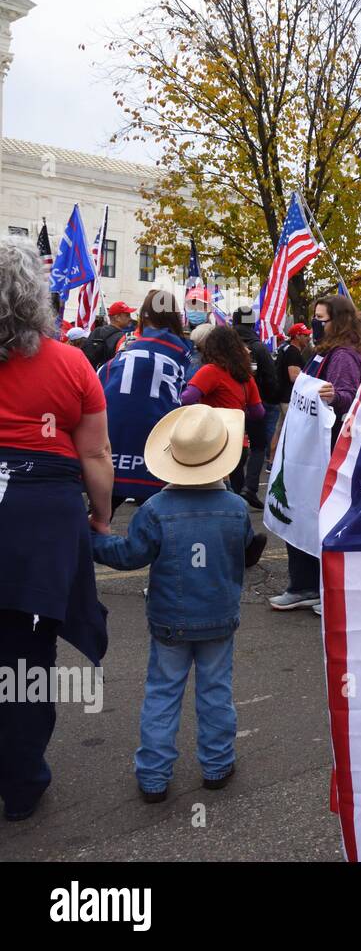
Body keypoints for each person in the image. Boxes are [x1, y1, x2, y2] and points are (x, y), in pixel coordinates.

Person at [91, 404, 265, 802]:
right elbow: (242, 551)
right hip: (219, 618)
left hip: (170, 619)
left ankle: (154, 777)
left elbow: (130, 555)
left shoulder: (155, 511)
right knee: (216, 690)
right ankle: (217, 765)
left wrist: (93, 540)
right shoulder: (237, 509)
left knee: (163, 693)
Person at [0, 237, 111, 821]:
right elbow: (95, 455)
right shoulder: (72, 364)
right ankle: (20, 781)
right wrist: (101, 516)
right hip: (41, 527)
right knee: (24, 659)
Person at [268, 295, 361, 613]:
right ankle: (305, 585)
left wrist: (335, 396)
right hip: (308, 448)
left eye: (321, 319)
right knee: (300, 511)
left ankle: (322, 588)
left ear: (338, 321)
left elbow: (351, 397)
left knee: (320, 516)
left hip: (327, 449)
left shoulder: (344, 355)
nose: (315, 324)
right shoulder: (326, 352)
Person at [99, 288, 192, 519]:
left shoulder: (125, 349)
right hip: (155, 435)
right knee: (161, 509)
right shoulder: (182, 354)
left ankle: (88, 543)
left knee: (103, 510)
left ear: (145, 316)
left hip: (114, 435)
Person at [180, 325, 266, 497]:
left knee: (212, 494)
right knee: (232, 495)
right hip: (238, 444)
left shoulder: (210, 371)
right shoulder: (245, 376)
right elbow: (258, 412)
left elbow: (186, 399)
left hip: (213, 442)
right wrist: (237, 413)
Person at [232, 305, 280, 509]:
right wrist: (270, 398)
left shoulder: (225, 346)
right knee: (258, 445)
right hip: (254, 404)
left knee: (232, 447)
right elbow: (270, 378)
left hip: (229, 405)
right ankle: (249, 488)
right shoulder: (259, 347)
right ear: (253, 323)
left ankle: (235, 489)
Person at [269, 322, 312, 459]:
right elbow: (294, 376)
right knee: (293, 431)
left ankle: (272, 460)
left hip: (283, 397)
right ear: (297, 336)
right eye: (305, 335)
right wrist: (311, 381)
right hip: (289, 399)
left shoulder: (285, 349)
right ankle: (286, 460)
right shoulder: (293, 352)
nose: (308, 338)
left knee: (280, 429)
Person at [85, 300, 136, 369]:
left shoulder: (97, 331)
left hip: (91, 374)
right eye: (127, 315)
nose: (130, 319)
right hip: (108, 375)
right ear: (117, 318)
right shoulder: (122, 337)